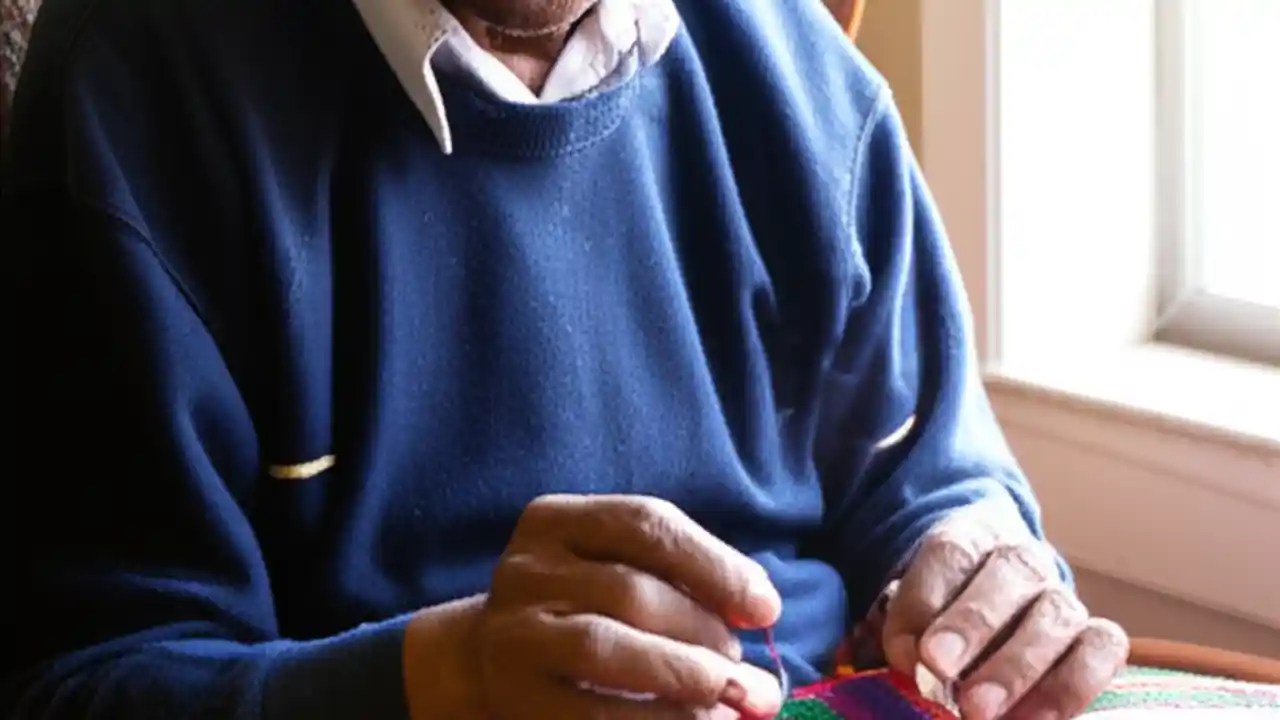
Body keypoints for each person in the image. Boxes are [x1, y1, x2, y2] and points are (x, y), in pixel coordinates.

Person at [0, 0, 1129, 717]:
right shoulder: (138, 85)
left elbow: (929, 479)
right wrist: (441, 679)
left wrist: (975, 569)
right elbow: (80, 678)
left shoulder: (797, 72)